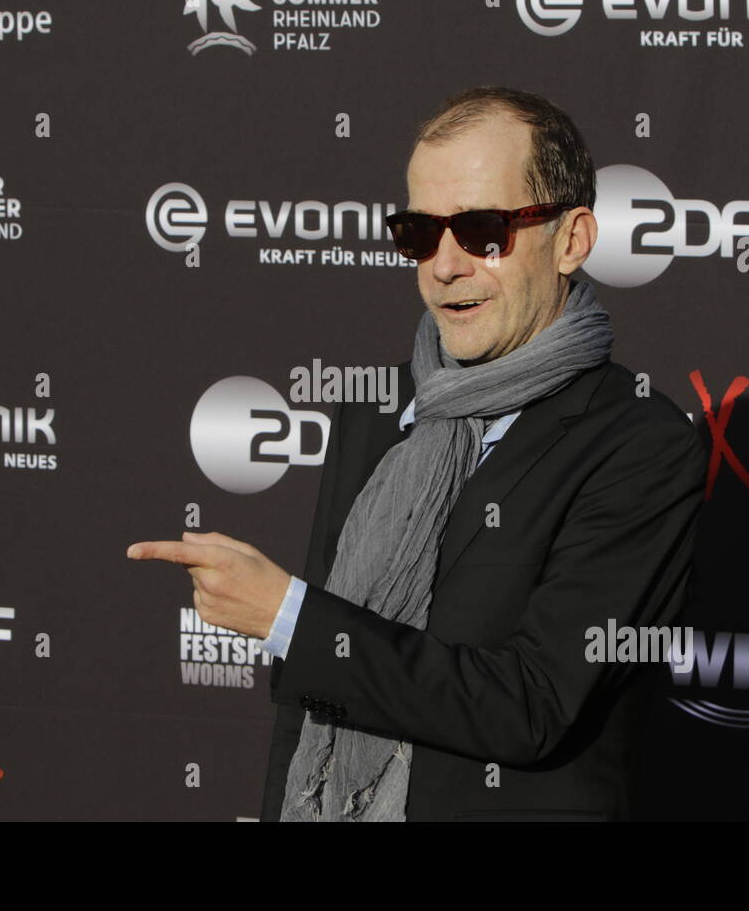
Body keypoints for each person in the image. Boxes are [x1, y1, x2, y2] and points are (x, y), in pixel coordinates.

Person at [128, 86, 707, 822]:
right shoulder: (378, 409)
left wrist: (291, 619)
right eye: (419, 234)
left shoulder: (640, 444)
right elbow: (315, 709)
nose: (444, 264)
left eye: (482, 230)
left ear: (572, 239)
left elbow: (533, 704)